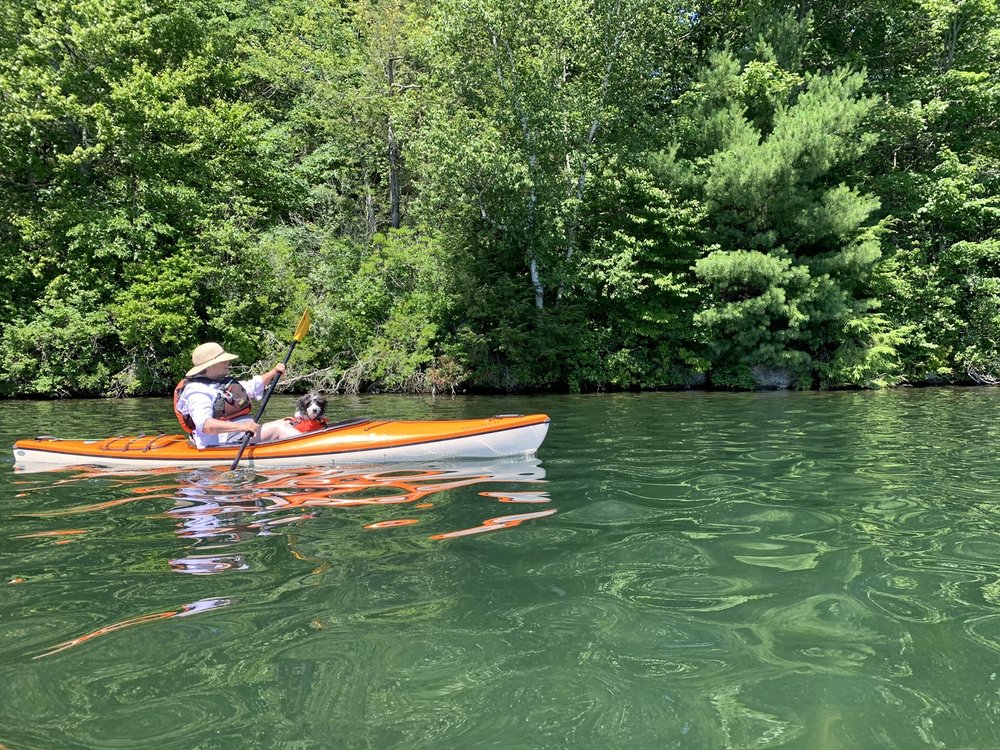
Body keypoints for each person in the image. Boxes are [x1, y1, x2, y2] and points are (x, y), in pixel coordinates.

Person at [173, 342, 301, 449]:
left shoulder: (219, 382)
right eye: (223, 361)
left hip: (238, 434)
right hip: (216, 442)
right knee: (280, 427)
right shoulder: (196, 391)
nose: (228, 362)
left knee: (289, 423)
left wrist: (273, 372)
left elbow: (252, 386)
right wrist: (242, 427)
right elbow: (206, 426)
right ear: (210, 365)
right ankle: (312, 452)